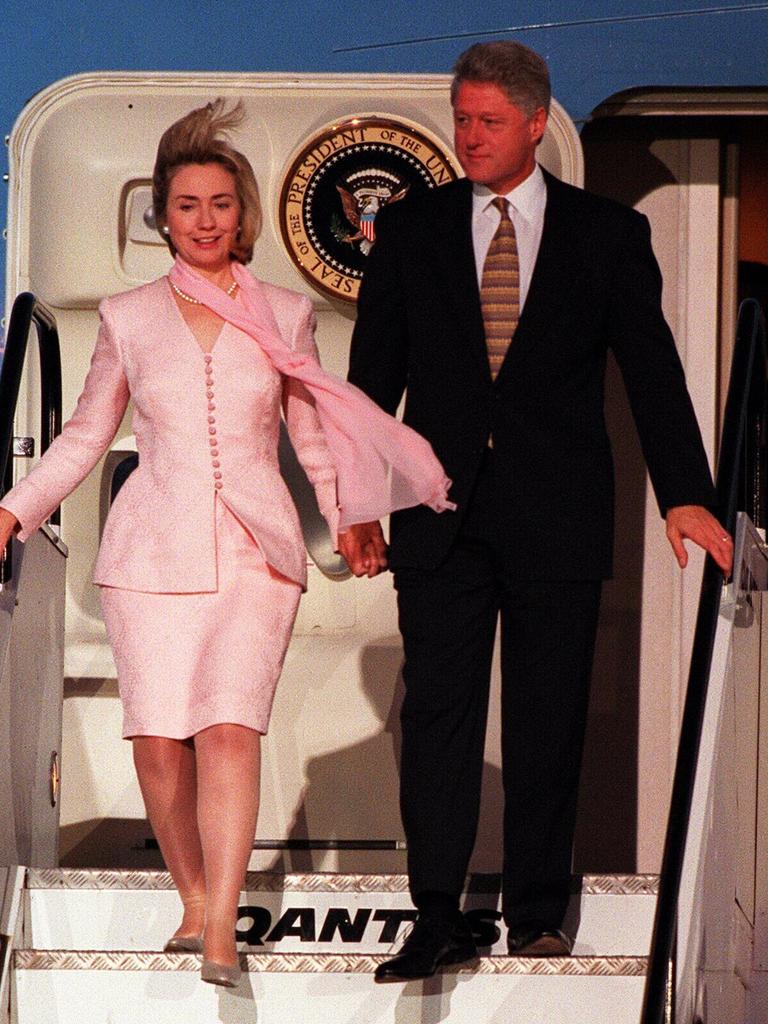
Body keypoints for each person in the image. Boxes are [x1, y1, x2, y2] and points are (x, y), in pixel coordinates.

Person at [0, 100, 452, 988]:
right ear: (161, 217)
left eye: (218, 204)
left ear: (241, 215)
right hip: (149, 558)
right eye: (186, 205)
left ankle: (219, 928)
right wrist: (12, 509)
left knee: (230, 730)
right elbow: (87, 436)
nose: (204, 220)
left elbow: (312, 435)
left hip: (257, 556)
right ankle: (196, 894)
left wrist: (351, 512)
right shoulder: (128, 317)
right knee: (159, 744)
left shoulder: (285, 314)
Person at [338, 40, 733, 980]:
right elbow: (367, 386)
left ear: (533, 124)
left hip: (557, 514)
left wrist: (686, 493)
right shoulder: (413, 229)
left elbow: (652, 373)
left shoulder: (605, 235)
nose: (467, 136)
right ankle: (435, 911)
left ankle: (538, 911)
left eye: (486, 121)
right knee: (437, 713)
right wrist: (356, 504)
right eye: (460, 117)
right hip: (438, 515)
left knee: (548, 715)